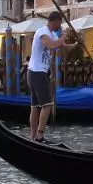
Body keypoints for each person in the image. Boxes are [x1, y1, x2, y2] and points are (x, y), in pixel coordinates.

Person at [28, 12, 77, 141]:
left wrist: (78, 44)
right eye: (59, 23)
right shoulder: (42, 32)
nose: (60, 25)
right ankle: (39, 135)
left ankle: (33, 137)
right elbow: (51, 45)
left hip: (38, 73)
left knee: (35, 106)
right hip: (36, 72)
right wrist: (64, 36)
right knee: (48, 105)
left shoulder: (53, 34)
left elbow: (64, 47)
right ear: (54, 21)